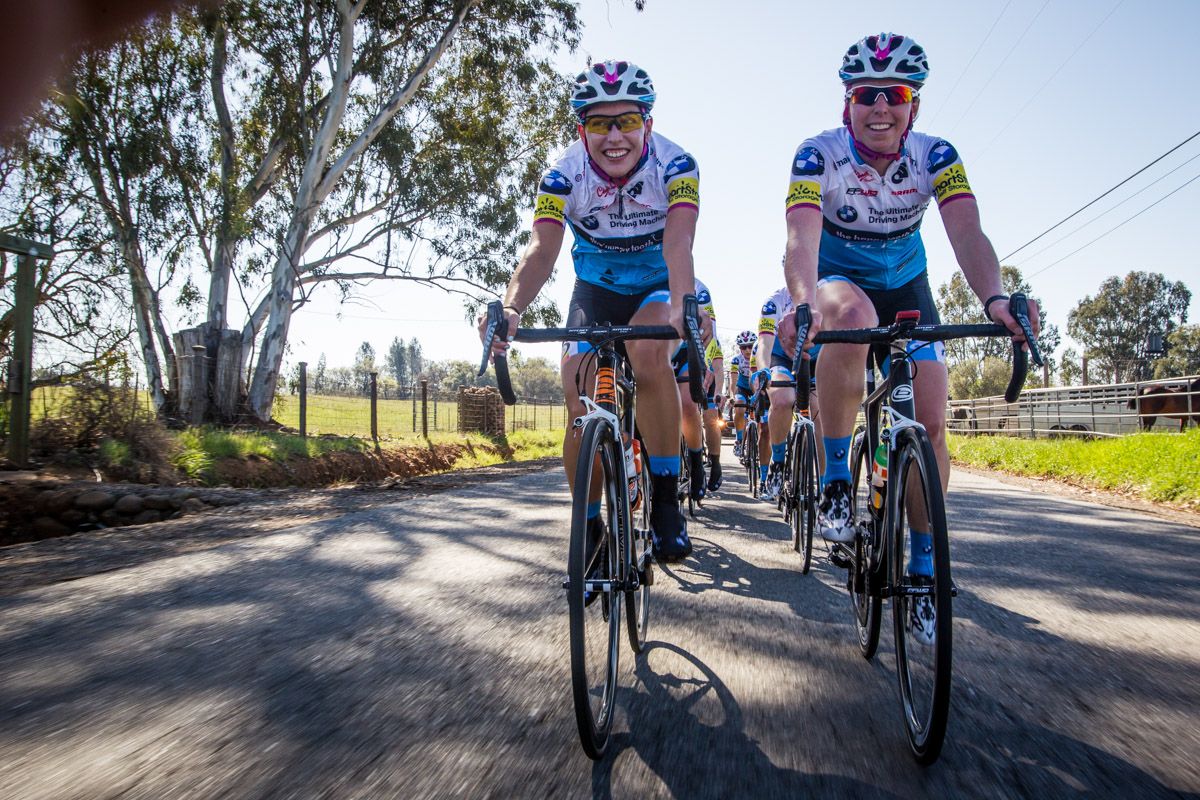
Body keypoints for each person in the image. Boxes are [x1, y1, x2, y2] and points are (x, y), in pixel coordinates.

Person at [778, 33, 1039, 639]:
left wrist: (995, 299)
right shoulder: (817, 155)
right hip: (839, 279)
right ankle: (836, 480)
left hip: (907, 286)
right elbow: (800, 237)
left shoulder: (935, 155)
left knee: (932, 420)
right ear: (846, 103)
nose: (880, 107)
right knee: (848, 316)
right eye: (865, 95)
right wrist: (803, 302)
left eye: (893, 94)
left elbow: (967, 233)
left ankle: (924, 566)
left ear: (912, 105)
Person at [479, 60, 701, 562]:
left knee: (648, 354)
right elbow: (542, 249)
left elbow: (679, 242)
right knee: (576, 391)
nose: (614, 136)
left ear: (647, 124)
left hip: (656, 286)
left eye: (627, 121)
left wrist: (683, 302)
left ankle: (667, 503)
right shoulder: (562, 175)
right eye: (600, 123)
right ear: (583, 130)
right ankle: (589, 521)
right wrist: (511, 306)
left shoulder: (677, 165)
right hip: (595, 290)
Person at [672, 279, 724, 500]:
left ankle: (705, 463)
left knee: (697, 409)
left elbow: (709, 334)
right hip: (661, 348)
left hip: (691, 350)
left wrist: (706, 364)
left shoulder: (698, 289)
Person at [727, 331, 757, 458]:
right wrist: (732, 396)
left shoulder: (759, 356)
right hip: (742, 387)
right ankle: (739, 441)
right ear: (740, 348)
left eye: (750, 346)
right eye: (744, 347)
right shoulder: (736, 360)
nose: (748, 350)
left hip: (756, 385)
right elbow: (733, 381)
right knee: (739, 406)